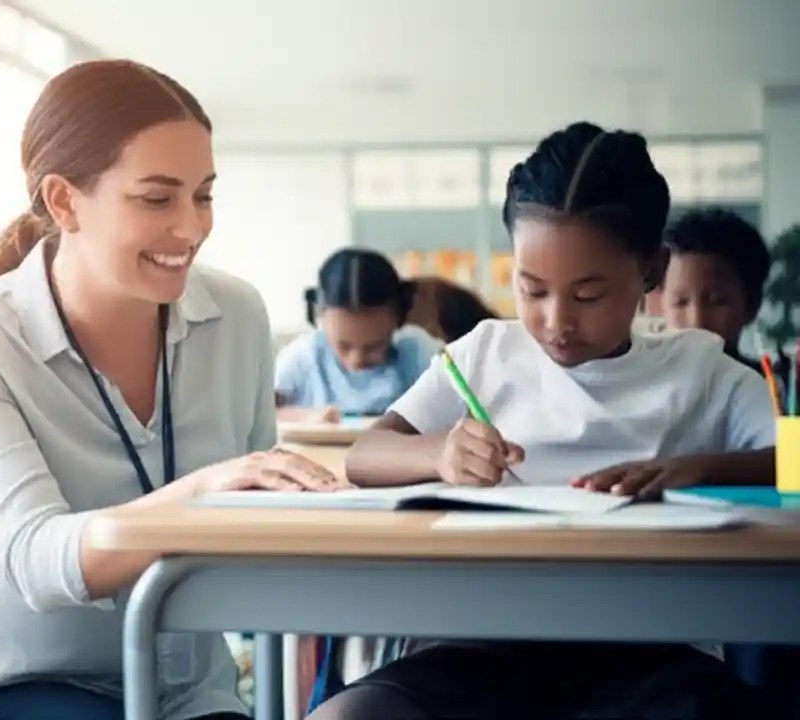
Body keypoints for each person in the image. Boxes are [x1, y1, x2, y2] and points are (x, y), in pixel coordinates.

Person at [0, 59, 341, 720]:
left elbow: (257, 519)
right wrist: (202, 492)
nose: (192, 227)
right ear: (63, 201)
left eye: (204, 195)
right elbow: (37, 560)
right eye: (157, 198)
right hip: (20, 687)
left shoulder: (239, 315)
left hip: (193, 693)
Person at [315, 122, 779, 719]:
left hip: (651, 660)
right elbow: (364, 457)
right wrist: (438, 454)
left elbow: (793, 464)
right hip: (474, 648)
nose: (557, 321)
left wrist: (694, 469)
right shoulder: (485, 353)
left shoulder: (701, 370)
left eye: (588, 296)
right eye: (532, 290)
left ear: (652, 271)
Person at [275, 248, 441, 422]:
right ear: (318, 316)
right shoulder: (304, 356)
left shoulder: (417, 352)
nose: (357, 360)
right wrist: (306, 416)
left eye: (374, 346)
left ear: (399, 318)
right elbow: (265, 413)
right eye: (344, 346)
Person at [659, 208, 773, 371]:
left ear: (752, 304)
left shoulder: (771, 389)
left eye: (717, 301)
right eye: (680, 302)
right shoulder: (643, 388)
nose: (697, 322)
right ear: (660, 304)